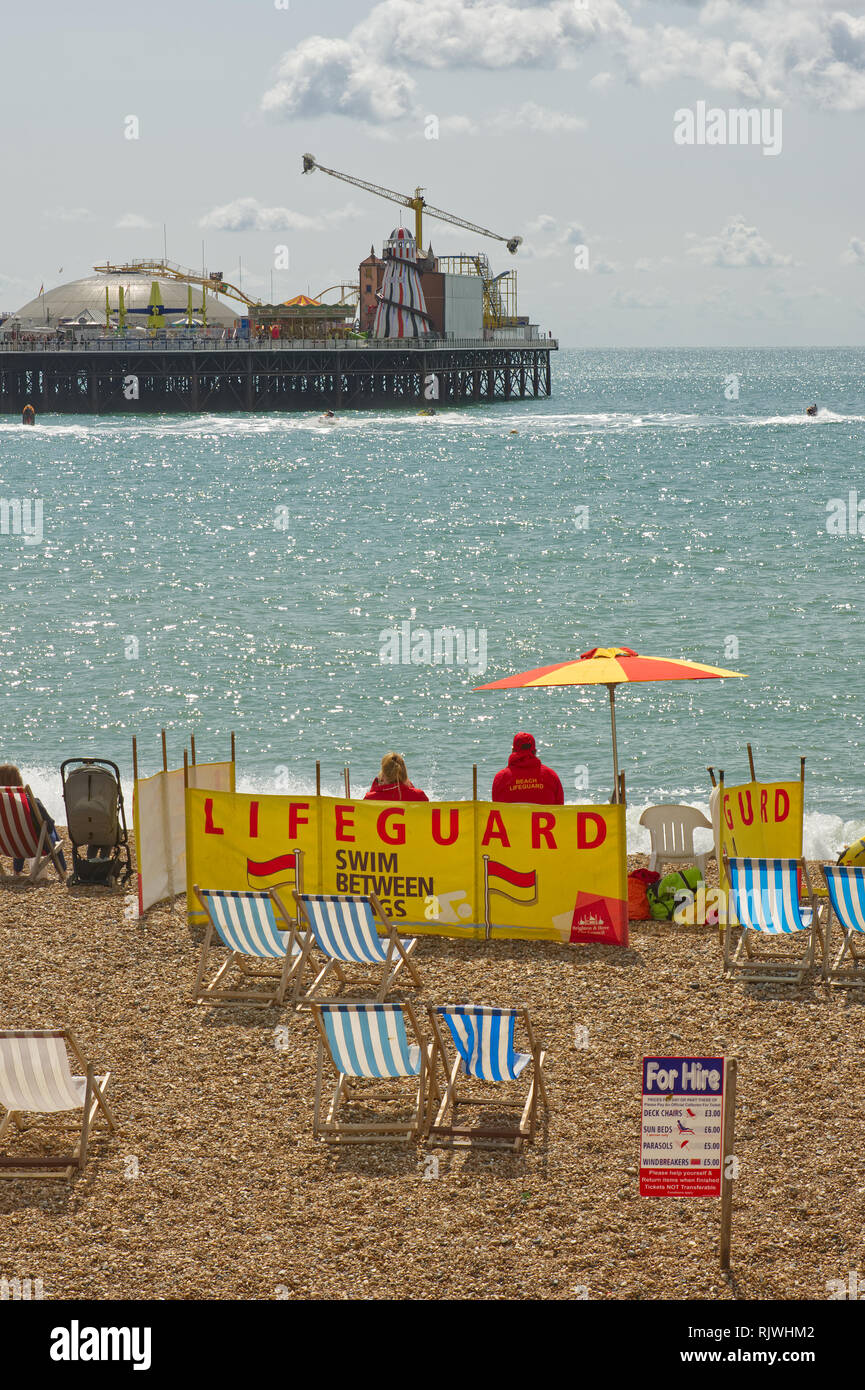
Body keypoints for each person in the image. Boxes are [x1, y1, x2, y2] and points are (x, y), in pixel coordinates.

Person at [0, 764, 67, 874]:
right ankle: (63, 871)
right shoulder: (31, 802)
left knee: (16, 831)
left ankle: (17, 871)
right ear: (18, 780)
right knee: (49, 827)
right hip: (35, 846)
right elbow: (49, 827)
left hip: (8, 847)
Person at [492, 732, 564, 805]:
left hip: (511, 816)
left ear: (513, 751)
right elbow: (560, 809)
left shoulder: (500, 778)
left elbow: (495, 809)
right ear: (535, 752)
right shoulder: (551, 776)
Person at [364, 753, 428, 801]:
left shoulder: (370, 798)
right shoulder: (419, 796)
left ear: (383, 775)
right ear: (404, 773)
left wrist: (375, 789)